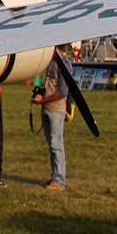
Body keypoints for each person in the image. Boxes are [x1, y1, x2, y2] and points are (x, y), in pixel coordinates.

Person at [34, 48, 70, 190]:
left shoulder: (65, 64)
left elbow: (62, 92)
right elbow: (50, 87)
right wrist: (40, 93)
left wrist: (43, 100)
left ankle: (59, 181)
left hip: (56, 108)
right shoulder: (50, 63)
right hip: (47, 107)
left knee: (56, 144)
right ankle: (55, 176)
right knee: (51, 144)